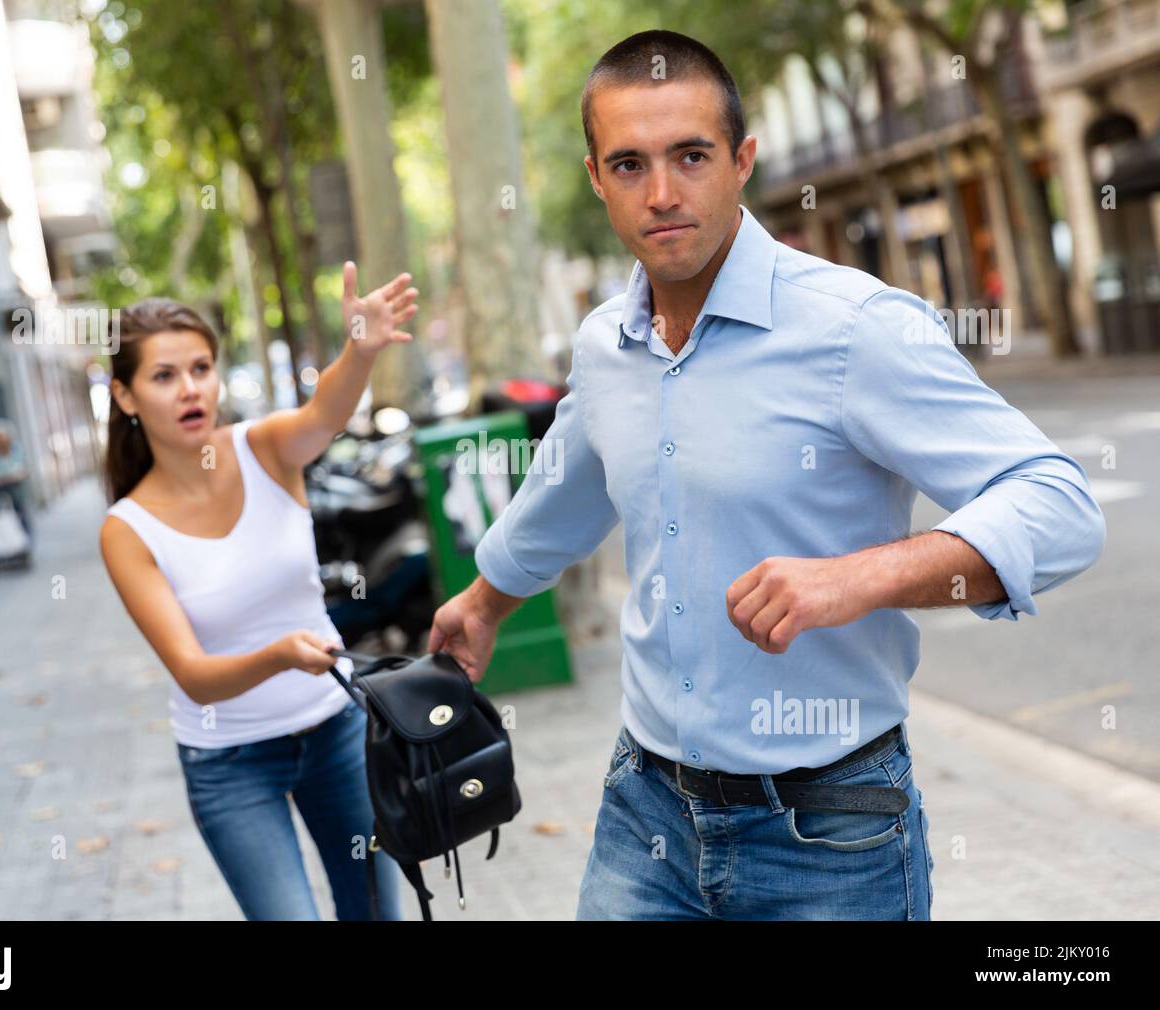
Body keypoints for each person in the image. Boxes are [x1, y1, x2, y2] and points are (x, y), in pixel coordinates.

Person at [429, 30, 1107, 921]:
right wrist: (481, 605)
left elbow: (1061, 506)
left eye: (692, 156)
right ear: (596, 178)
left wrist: (858, 578)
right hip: (647, 815)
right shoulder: (605, 348)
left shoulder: (855, 328)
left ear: (742, 161)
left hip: (832, 835)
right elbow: (568, 487)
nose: (662, 194)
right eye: (629, 164)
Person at [99, 263, 418, 920]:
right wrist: (281, 654)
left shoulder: (264, 449)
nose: (190, 389)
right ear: (126, 397)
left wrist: (359, 350)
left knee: (376, 911)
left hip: (334, 727)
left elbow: (325, 412)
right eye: (164, 376)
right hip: (230, 762)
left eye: (200, 368)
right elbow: (195, 676)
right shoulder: (126, 529)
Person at [0, 419, 32, 539]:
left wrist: (12, 476)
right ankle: (1, 546)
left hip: (15, 488)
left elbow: (26, 469)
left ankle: (25, 542)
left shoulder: (17, 449)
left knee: (21, 516)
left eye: (2, 436)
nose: (0, 439)